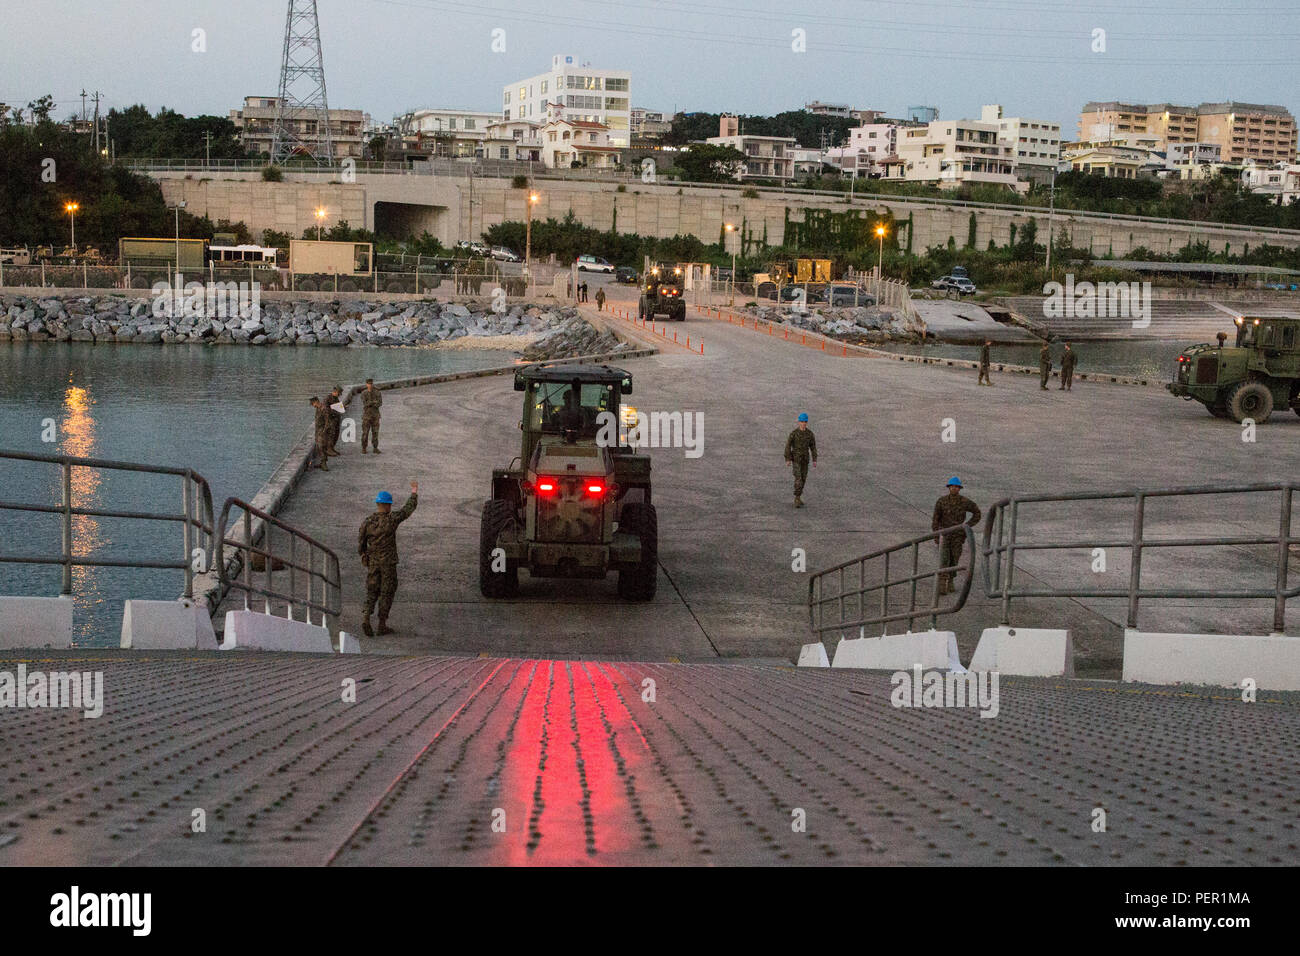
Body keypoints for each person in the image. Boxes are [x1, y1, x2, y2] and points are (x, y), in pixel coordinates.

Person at [358, 482, 419, 637]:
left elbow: (361, 543)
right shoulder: (392, 519)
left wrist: (365, 555)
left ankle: (366, 617)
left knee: (372, 590)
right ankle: (381, 624)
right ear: (388, 505)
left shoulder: (367, 522)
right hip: (388, 563)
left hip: (373, 563)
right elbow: (407, 510)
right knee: (387, 591)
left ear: (377, 503)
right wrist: (414, 492)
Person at [932, 477, 981, 595]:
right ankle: (942, 583)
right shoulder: (941, 501)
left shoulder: (964, 501)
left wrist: (966, 527)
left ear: (959, 488)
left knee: (955, 559)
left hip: (958, 536)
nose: (954, 488)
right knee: (944, 559)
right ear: (949, 487)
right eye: (952, 486)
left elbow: (977, 513)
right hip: (944, 534)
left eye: (956, 487)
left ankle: (951, 580)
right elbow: (936, 519)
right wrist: (936, 534)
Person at [783, 412, 818, 508]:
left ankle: (799, 496)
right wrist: (788, 458)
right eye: (802, 421)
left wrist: (815, 459)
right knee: (798, 479)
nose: (803, 423)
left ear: (807, 422)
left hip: (805, 460)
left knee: (803, 479)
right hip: (797, 460)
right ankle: (797, 498)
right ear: (799, 422)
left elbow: (813, 447)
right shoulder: (794, 434)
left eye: (805, 421)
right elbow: (788, 446)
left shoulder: (810, 434)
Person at [361, 378, 382, 454]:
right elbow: (365, 403)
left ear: (372, 384)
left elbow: (379, 403)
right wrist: (373, 402)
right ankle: (364, 448)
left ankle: (375, 447)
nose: (370, 385)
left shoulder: (377, 392)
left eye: (371, 384)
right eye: (368, 384)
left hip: (375, 415)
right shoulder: (364, 393)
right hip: (367, 416)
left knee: (375, 432)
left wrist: (370, 403)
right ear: (366, 384)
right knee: (365, 433)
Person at [309, 397, 330, 471]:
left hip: (322, 431)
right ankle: (322, 462)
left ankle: (324, 463)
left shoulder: (323, 409)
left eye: (313, 403)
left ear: (317, 401)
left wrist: (324, 432)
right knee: (319, 446)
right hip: (318, 431)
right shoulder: (318, 409)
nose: (313, 405)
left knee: (322, 446)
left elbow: (327, 422)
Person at [326, 385, 344, 455]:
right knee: (331, 435)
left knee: (335, 434)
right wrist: (334, 411)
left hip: (336, 419)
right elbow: (325, 409)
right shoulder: (328, 398)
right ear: (335, 392)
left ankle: (332, 448)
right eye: (339, 393)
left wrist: (342, 407)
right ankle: (329, 449)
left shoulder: (336, 398)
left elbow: (338, 407)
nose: (339, 395)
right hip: (331, 420)